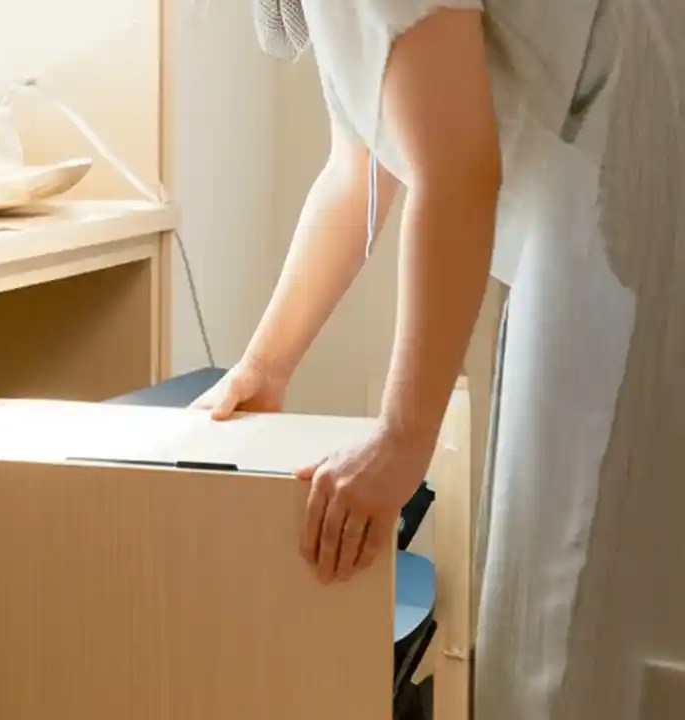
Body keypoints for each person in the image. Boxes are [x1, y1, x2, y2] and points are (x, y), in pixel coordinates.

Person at [194, 3, 681, 718]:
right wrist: (266, 365)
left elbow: (454, 174)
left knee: (573, 614)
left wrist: (401, 435)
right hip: (608, 200)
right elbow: (360, 166)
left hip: (636, 199)